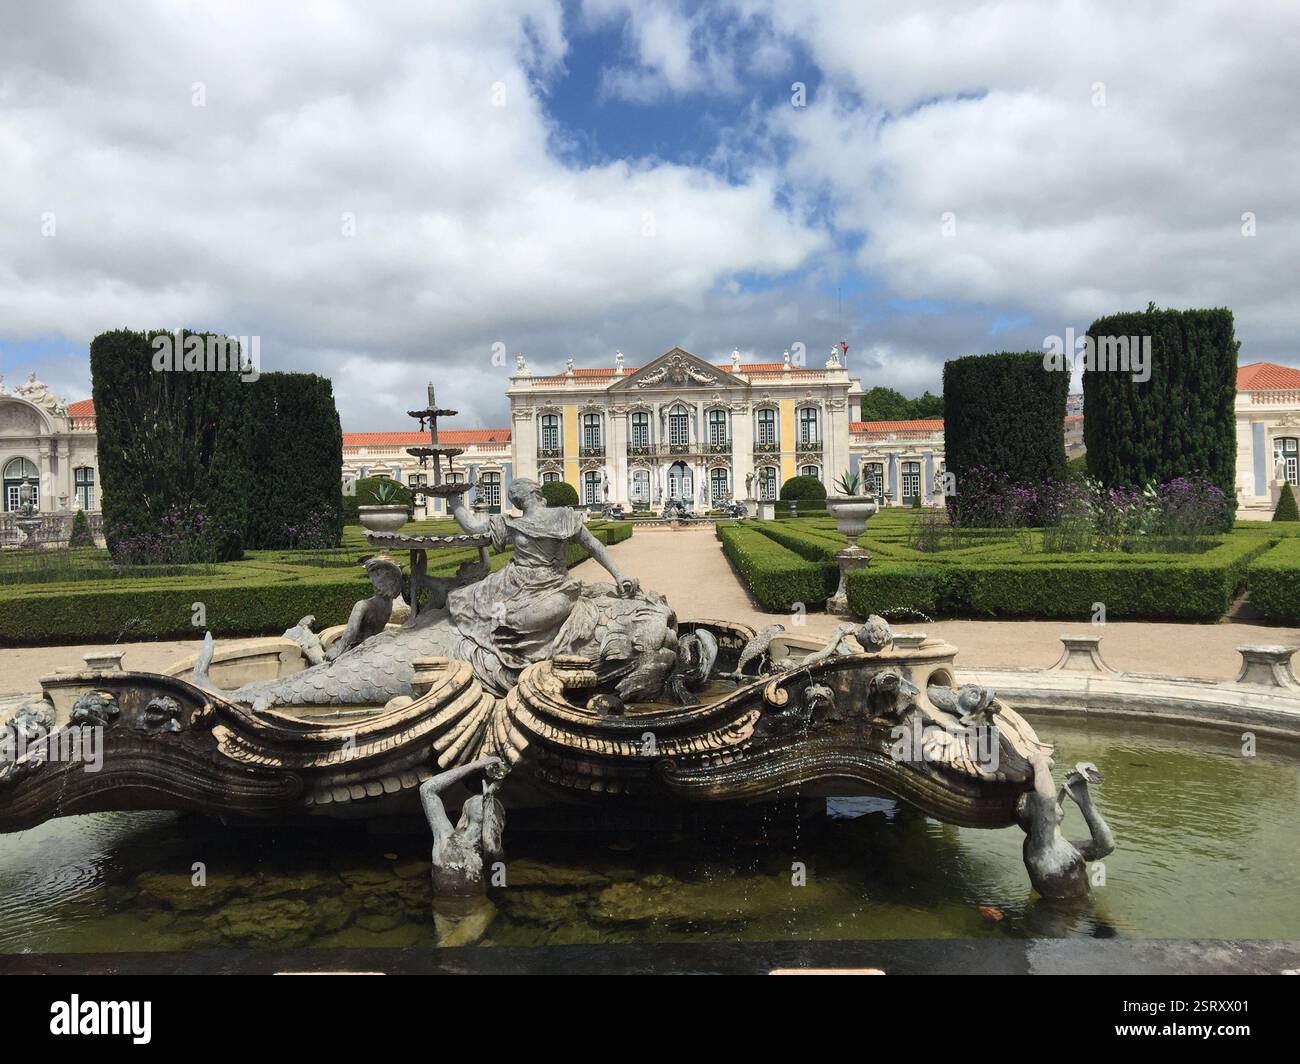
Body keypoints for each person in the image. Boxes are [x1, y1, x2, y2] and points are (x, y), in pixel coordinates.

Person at [448, 478, 640, 684]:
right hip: (510, 583)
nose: (516, 499)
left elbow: (593, 545)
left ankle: (502, 636)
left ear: (532, 493)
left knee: (521, 617)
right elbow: (474, 526)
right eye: (514, 497)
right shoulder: (512, 523)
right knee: (478, 604)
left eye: (517, 495)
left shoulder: (564, 517)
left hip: (553, 585)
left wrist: (619, 575)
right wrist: (452, 497)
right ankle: (490, 631)